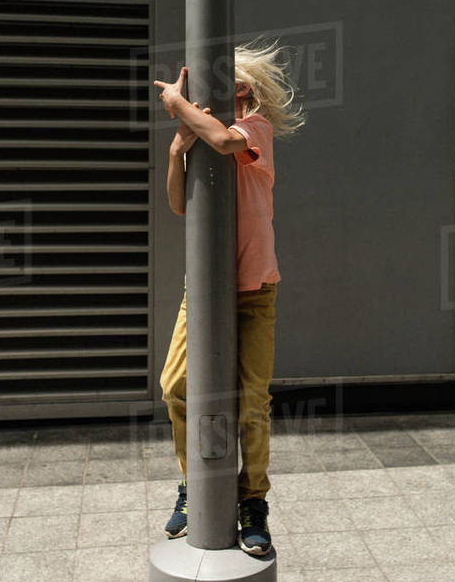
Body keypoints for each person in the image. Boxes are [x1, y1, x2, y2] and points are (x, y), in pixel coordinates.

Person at [151, 36, 305, 557]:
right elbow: (178, 204)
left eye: (214, 81)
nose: (201, 92)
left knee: (252, 400)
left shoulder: (253, 129)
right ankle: (192, 486)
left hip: (255, 289)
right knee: (175, 386)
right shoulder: (200, 135)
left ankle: (252, 500)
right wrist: (176, 150)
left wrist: (177, 104)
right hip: (203, 290)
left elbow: (221, 140)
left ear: (240, 88)